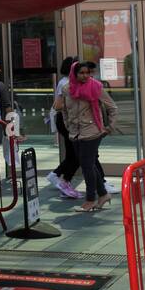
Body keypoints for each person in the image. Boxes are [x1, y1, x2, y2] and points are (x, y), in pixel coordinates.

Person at [57, 60, 118, 213]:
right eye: (81, 73)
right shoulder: (67, 89)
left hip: (92, 131)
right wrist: (68, 126)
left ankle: (90, 199)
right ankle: (103, 195)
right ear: (74, 74)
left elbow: (112, 107)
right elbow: (64, 110)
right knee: (89, 165)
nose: (85, 76)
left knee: (86, 166)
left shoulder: (96, 87)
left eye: (87, 73)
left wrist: (109, 127)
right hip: (75, 133)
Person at [47, 56, 88, 199]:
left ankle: (61, 178)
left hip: (70, 121)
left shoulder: (71, 83)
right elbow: (58, 105)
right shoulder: (64, 83)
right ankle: (59, 177)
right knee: (75, 154)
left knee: (73, 153)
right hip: (65, 121)